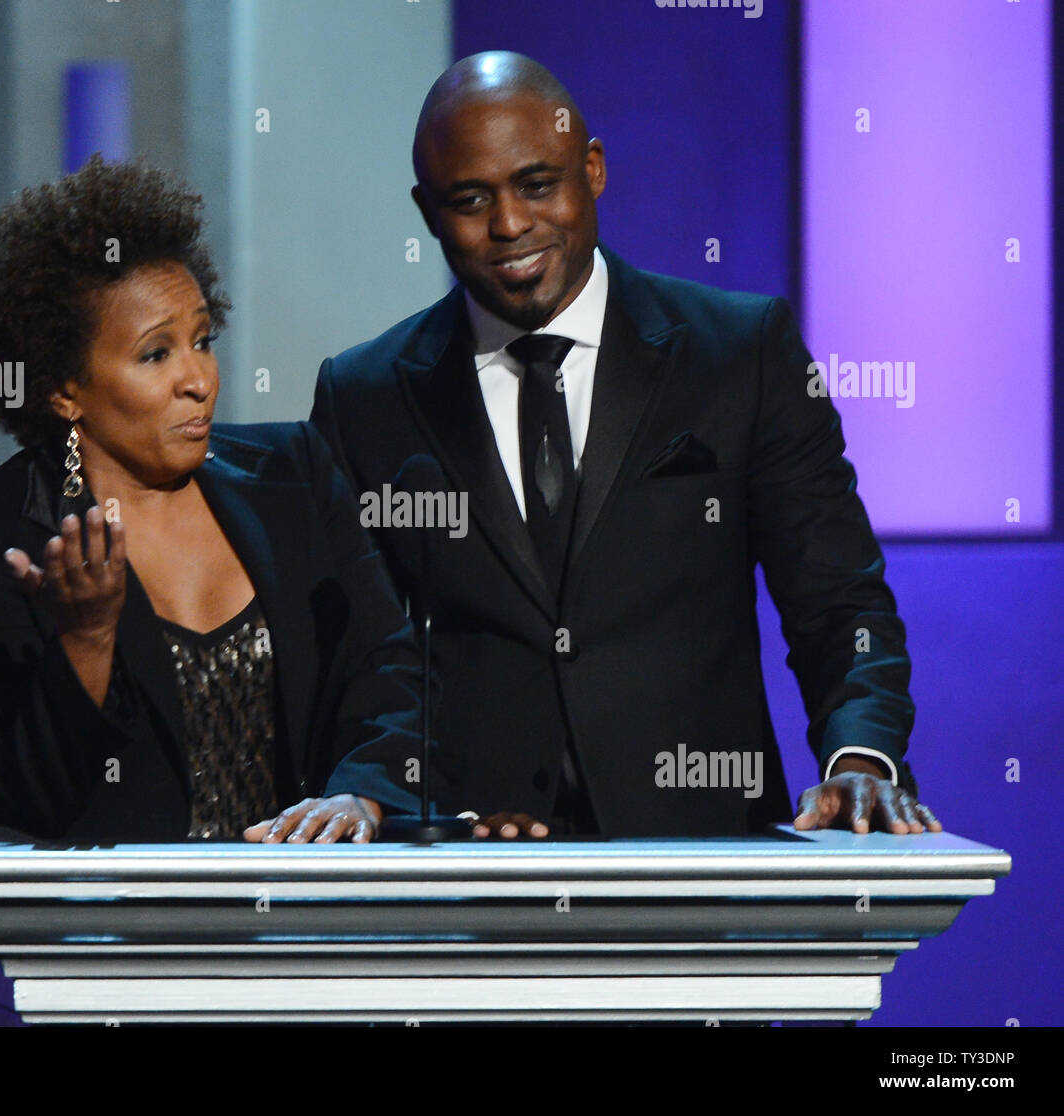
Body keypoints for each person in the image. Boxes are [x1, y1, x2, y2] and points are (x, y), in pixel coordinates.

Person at [310, 52, 941, 841]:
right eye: (470, 200)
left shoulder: (739, 353)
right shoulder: (365, 395)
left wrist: (862, 757)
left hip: (707, 863)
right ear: (427, 211)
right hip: (467, 877)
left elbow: (839, 602)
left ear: (593, 170)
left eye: (537, 184)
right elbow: (359, 657)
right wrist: (397, 803)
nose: (509, 225)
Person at [0, 155, 424, 1024]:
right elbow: (32, 796)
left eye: (202, 339)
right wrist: (86, 639)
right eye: (156, 353)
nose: (199, 378)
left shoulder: (295, 475)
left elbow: (396, 671)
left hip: (290, 979)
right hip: (80, 986)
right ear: (65, 390)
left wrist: (366, 790)